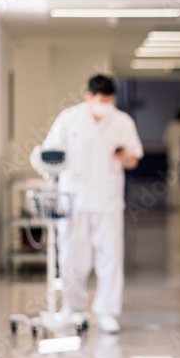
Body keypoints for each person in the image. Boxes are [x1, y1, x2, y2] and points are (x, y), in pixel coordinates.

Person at [43, 73, 143, 334]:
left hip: (108, 201)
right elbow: (50, 154)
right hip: (74, 200)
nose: (104, 104)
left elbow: (134, 158)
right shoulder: (69, 119)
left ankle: (107, 312)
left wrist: (124, 157)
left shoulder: (122, 121)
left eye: (109, 100)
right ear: (89, 96)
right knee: (72, 257)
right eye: (100, 99)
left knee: (110, 258)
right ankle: (72, 308)